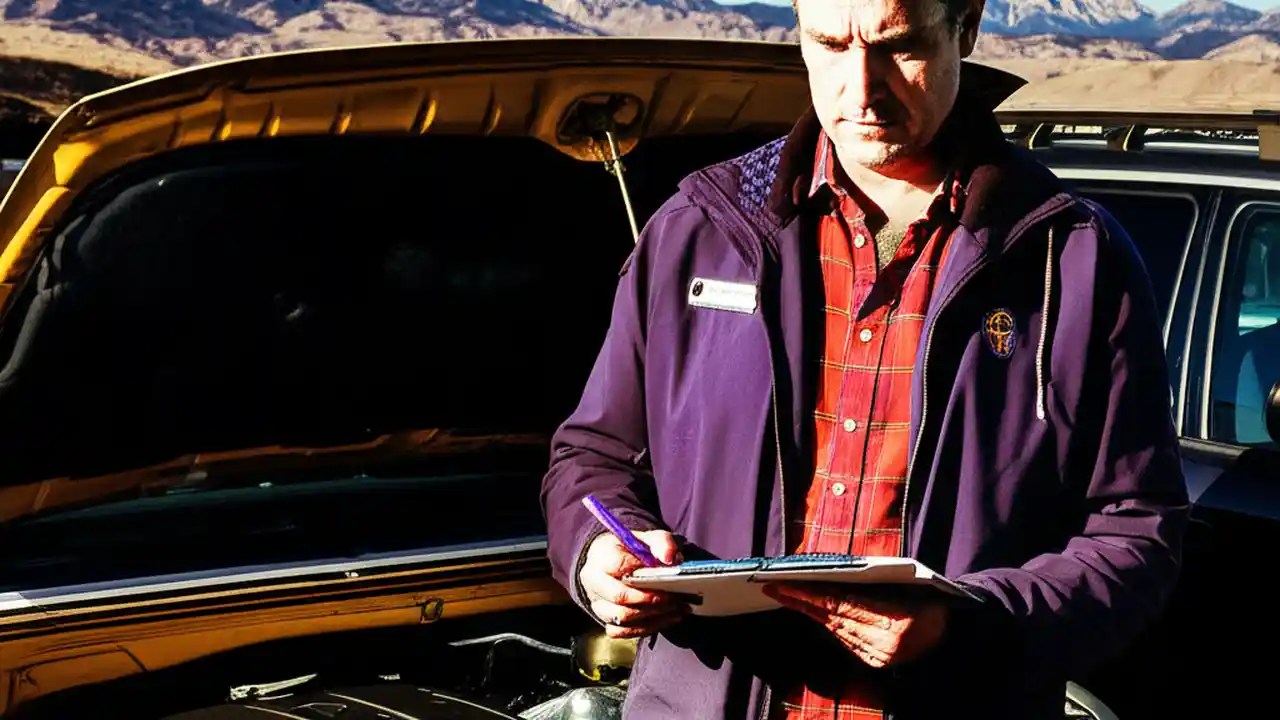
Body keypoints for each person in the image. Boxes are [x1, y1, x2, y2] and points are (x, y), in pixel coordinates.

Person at [540, 0, 1192, 717]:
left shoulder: (1070, 258)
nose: (862, 88)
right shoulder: (700, 230)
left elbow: (1136, 532)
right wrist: (599, 553)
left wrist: (971, 624)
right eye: (828, 43)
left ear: (965, 26)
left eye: (899, 46)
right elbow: (593, 455)